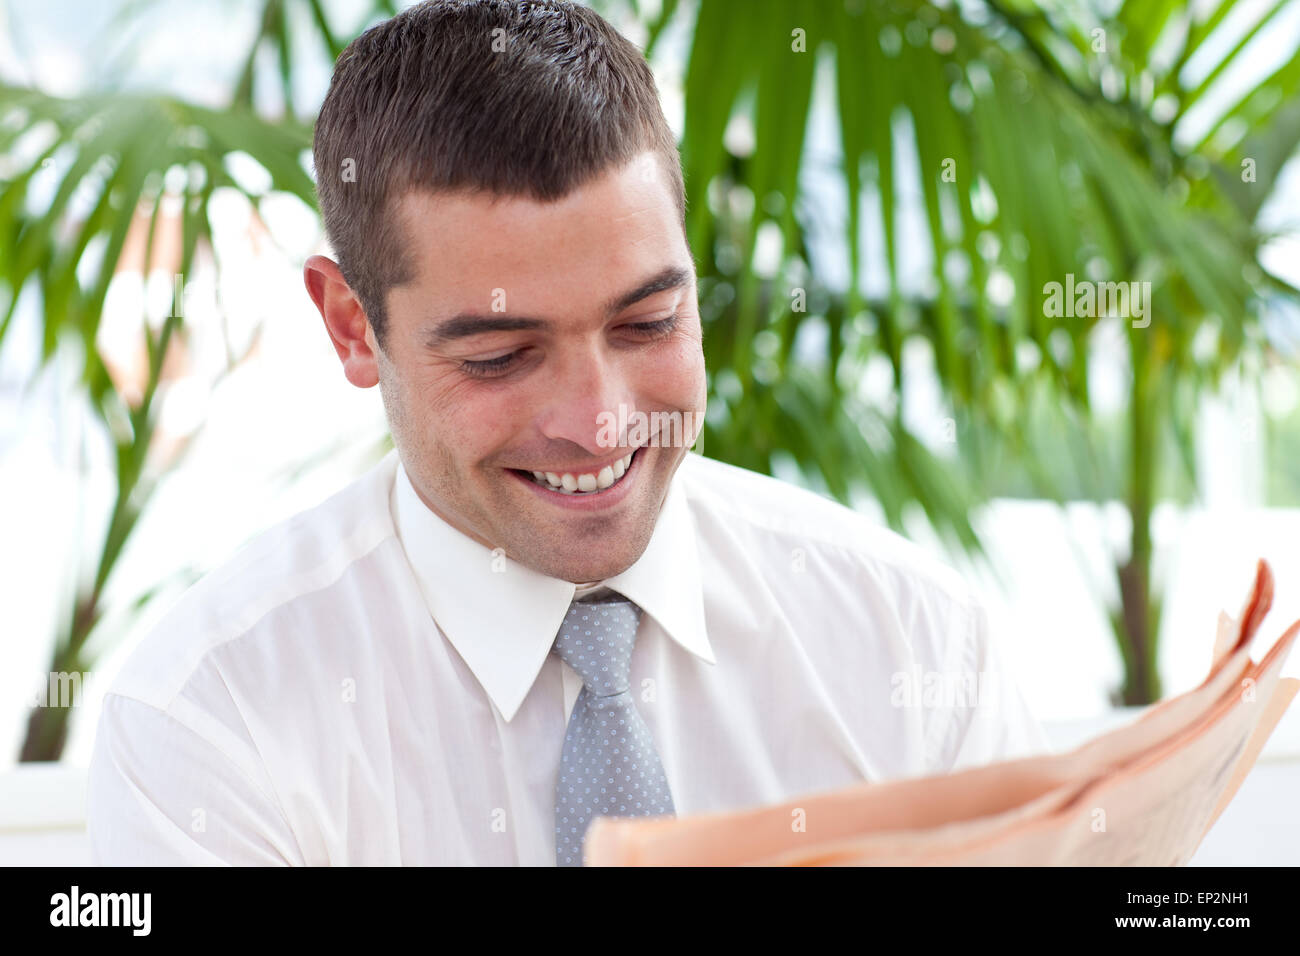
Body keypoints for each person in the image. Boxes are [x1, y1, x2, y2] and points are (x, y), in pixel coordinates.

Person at [86, 0, 1049, 866]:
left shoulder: (913, 645)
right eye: (501, 356)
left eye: (648, 323)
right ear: (351, 325)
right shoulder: (211, 722)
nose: (602, 423)